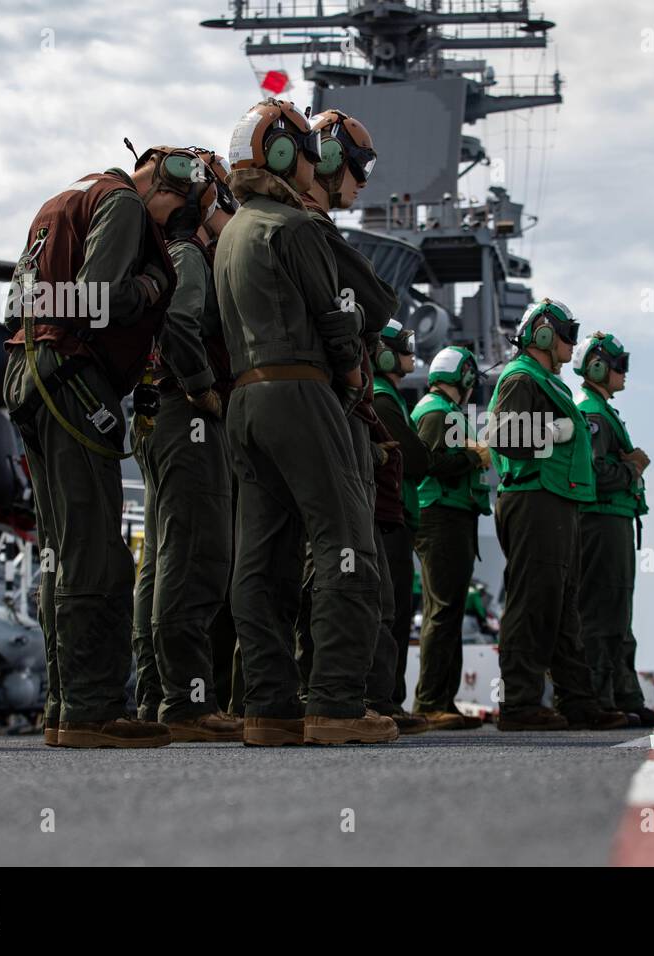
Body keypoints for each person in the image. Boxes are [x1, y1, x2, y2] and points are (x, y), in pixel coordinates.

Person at [2, 146, 198, 748]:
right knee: (97, 554)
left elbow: (18, 304)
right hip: (72, 378)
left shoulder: (57, 204)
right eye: (170, 213)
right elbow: (99, 297)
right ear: (163, 184)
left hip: (26, 374)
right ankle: (92, 712)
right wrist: (150, 284)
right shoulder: (121, 203)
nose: (165, 224)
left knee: (60, 551)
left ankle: (63, 707)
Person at [215, 98, 396, 745]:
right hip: (302, 393)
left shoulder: (233, 231)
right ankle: (336, 705)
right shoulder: (295, 228)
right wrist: (348, 366)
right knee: (345, 542)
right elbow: (345, 314)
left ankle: (268, 708)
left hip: (245, 403)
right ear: (289, 156)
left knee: (261, 558)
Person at [295, 110, 427, 735]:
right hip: (313, 405)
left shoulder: (254, 230)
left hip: (271, 404)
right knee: (347, 561)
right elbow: (373, 303)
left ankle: (273, 705)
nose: (365, 181)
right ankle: (337, 704)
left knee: (277, 562)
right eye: (359, 166)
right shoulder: (309, 233)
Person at [131, 147, 244, 742]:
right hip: (188, 415)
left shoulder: (164, 254)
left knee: (161, 560)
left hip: (159, 416)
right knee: (197, 554)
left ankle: (156, 695)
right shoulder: (192, 256)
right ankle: (189, 701)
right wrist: (204, 389)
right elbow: (179, 325)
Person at [487, 298, 629, 731]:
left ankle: (579, 701)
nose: (572, 342)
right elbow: (501, 434)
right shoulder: (520, 378)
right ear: (544, 335)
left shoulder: (546, 382)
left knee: (564, 607)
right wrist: (555, 431)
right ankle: (520, 704)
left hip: (556, 499)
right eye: (567, 333)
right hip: (534, 497)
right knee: (532, 603)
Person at [572, 332, 654, 726]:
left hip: (613, 519)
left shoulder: (600, 409)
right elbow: (593, 472)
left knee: (618, 613)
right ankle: (601, 699)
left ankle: (624, 696)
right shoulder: (593, 414)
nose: (624, 372)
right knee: (602, 613)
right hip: (602, 520)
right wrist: (632, 467)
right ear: (597, 367)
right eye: (619, 364)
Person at [410, 346, 491, 730]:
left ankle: (442, 700)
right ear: (467, 378)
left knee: (449, 611)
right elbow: (430, 463)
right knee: (443, 611)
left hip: (451, 514)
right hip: (441, 515)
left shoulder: (442, 410)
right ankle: (429, 703)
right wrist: (476, 457)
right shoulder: (437, 412)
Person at [370, 319, 430, 708]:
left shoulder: (388, 396)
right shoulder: (383, 398)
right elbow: (417, 458)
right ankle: (386, 700)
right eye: (403, 346)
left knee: (396, 609)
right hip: (390, 514)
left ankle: (389, 699)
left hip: (397, 511)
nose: (411, 352)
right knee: (391, 610)